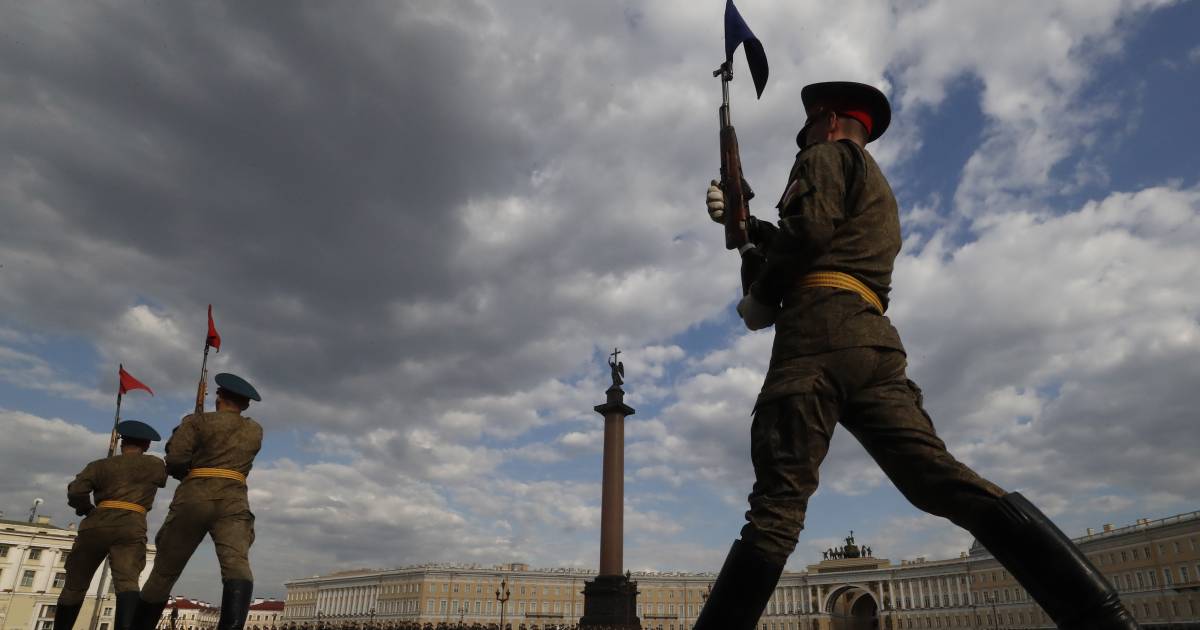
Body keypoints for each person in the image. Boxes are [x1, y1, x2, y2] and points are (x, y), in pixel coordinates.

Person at [697, 81, 1138, 630]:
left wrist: (761, 296)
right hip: (874, 343)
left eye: (807, 128)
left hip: (815, 340)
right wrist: (747, 227)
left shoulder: (824, 156)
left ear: (828, 121)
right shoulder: (873, 180)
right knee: (940, 480)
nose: (802, 139)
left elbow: (809, 232)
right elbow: (825, 238)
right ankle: (1107, 620)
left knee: (775, 510)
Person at [134, 373, 264, 630]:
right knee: (237, 565)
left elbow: (176, 460)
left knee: (165, 570)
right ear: (246, 405)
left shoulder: (195, 422)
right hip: (234, 501)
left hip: (194, 495)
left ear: (218, 397)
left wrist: (183, 432)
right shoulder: (254, 429)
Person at [55, 420, 167, 630]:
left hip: (95, 523)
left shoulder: (98, 465)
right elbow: (162, 478)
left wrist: (86, 508)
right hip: (131, 525)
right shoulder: (155, 464)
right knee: (127, 583)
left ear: (120, 442)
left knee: (75, 585)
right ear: (147, 445)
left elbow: (76, 491)